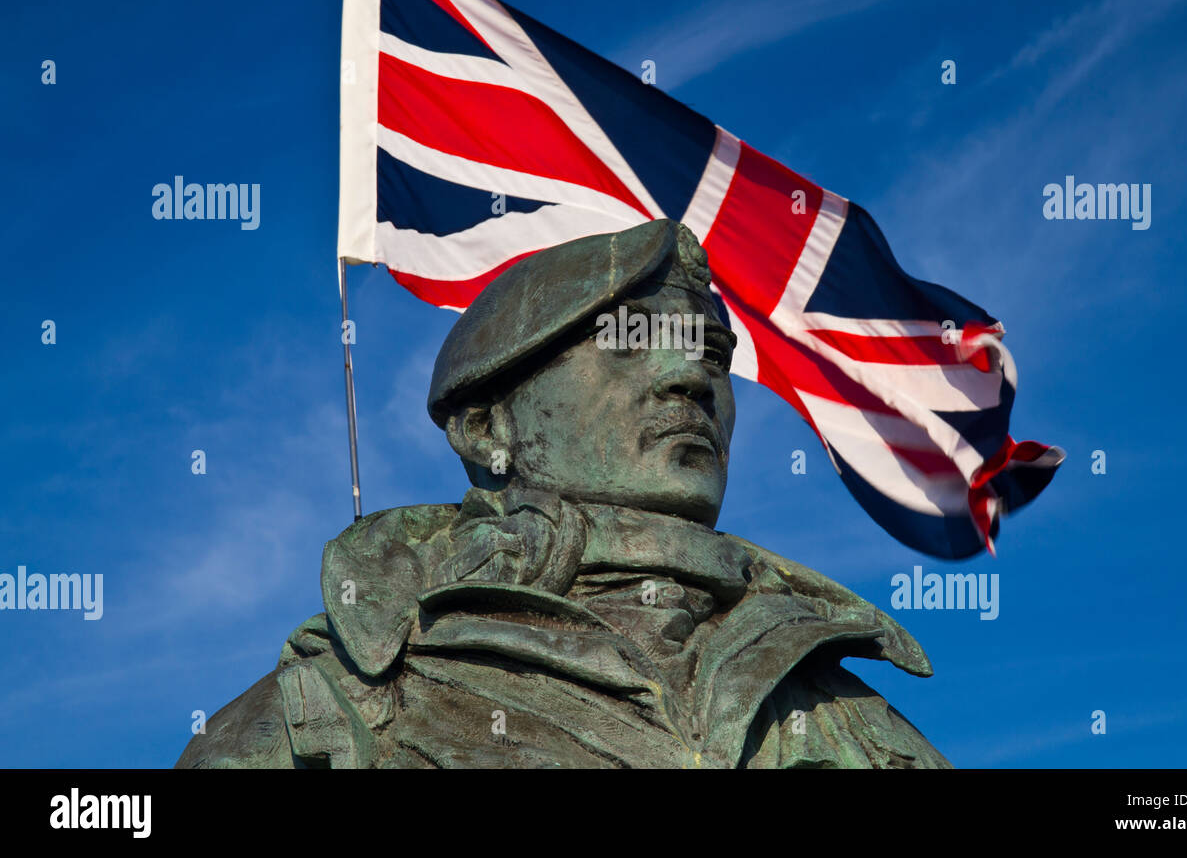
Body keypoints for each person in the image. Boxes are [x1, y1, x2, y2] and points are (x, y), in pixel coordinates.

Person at [176, 218, 951, 768]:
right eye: (628, 340)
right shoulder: (328, 711)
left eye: (711, 351)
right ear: (486, 428)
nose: (690, 376)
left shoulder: (858, 723)